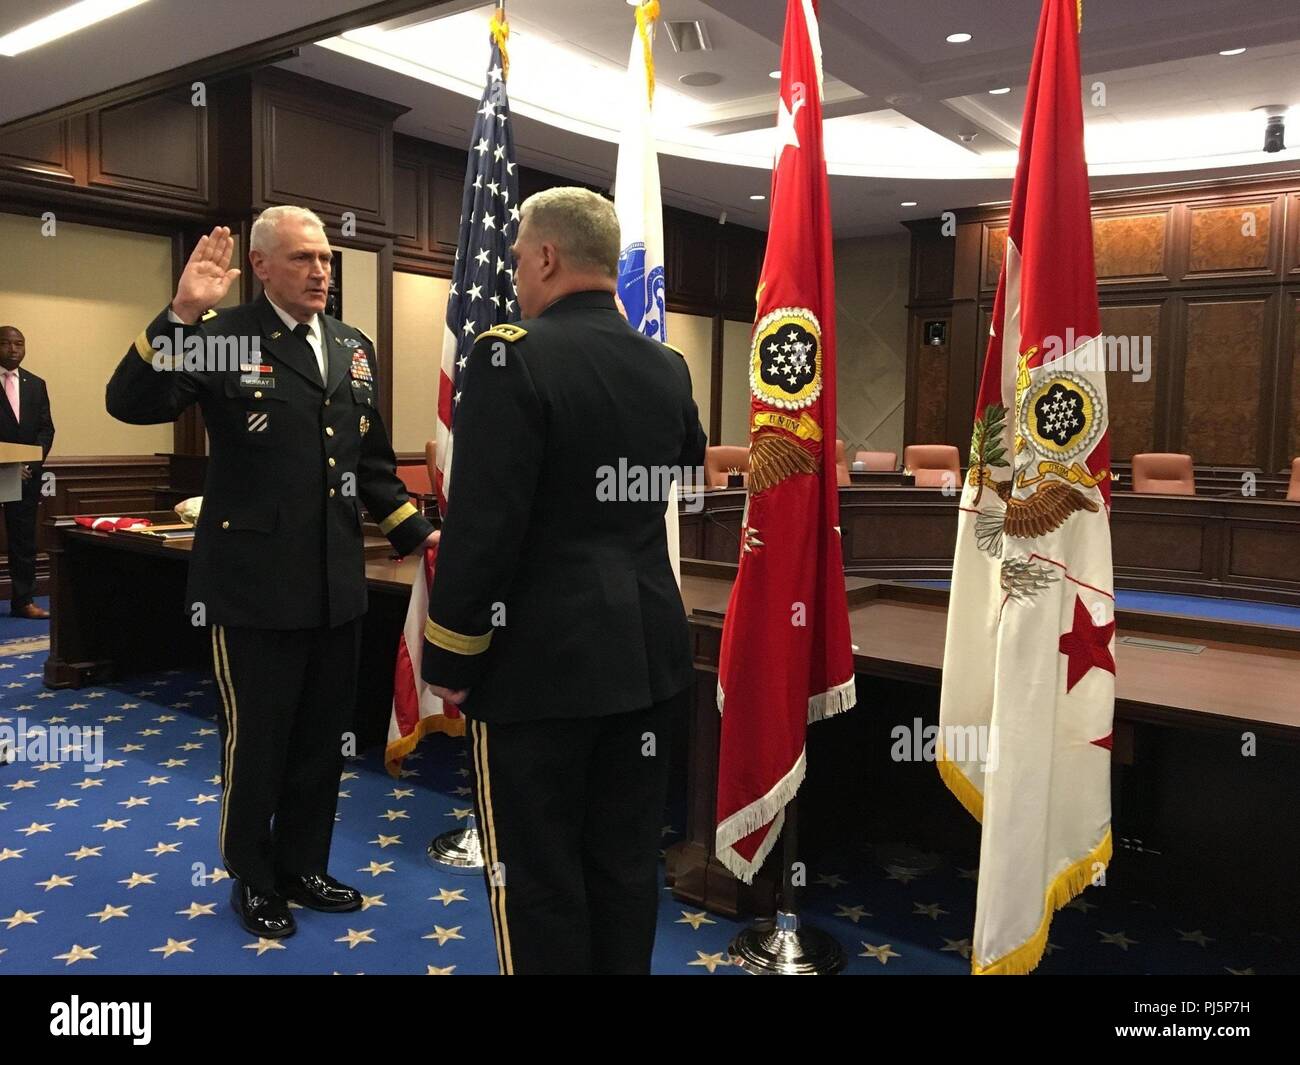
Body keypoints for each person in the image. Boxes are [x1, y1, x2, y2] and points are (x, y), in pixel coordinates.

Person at [106, 208, 435, 938]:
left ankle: (303, 865)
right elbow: (129, 403)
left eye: (325, 258)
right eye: (301, 259)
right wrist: (181, 314)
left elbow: (371, 464)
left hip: (334, 583)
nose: (321, 271)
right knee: (258, 741)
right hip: (251, 586)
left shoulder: (353, 347)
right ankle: (252, 877)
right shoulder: (222, 339)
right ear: (259, 266)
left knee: (323, 739)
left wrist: (421, 534)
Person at [421, 186, 708, 974]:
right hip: (646, 657)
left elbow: (484, 531)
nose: (513, 273)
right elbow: (685, 474)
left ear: (548, 255)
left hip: (537, 668)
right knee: (621, 865)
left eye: (517, 256)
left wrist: (450, 659)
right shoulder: (667, 364)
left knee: (539, 877)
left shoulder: (509, 353)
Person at [0, 326, 54, 620]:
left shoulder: (35, 384)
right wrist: (6, 465)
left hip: (25, 476)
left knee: (24, 541)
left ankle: (23, 601)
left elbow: (46, 429)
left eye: (19, 343)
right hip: (0, 471)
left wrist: (28, 465)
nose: (13, 349)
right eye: (6, 343)